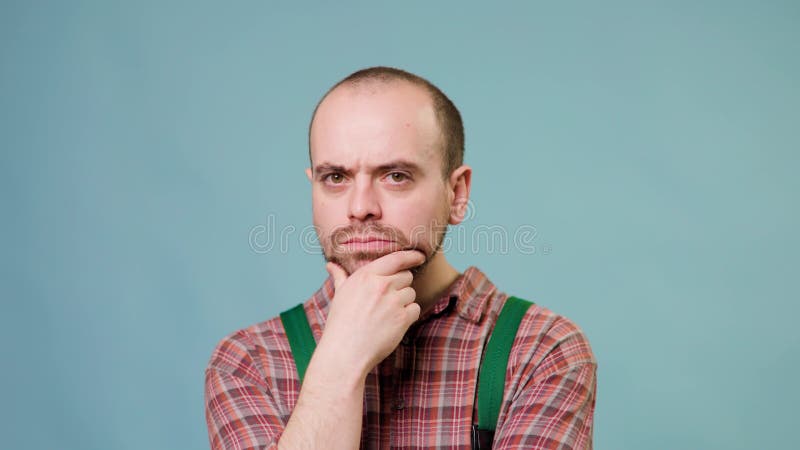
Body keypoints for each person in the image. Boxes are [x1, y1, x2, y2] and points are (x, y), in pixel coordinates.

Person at [204, 66, 597, 449]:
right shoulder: (248, 363)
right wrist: (340, 365)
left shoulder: (541, 350)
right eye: (336, 178)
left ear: (456, 194)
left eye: (395, 176)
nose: (360, 208)